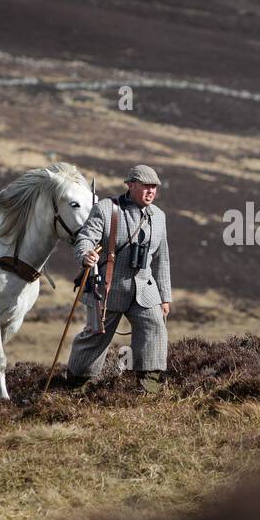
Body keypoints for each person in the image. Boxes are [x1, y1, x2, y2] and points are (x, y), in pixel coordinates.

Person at [64, 164, 171, 392]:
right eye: (146, 186)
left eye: (154, 187)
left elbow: (162, 260)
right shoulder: (106, 209)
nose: (151, 191)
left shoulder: (159, 217)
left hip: (145, 289)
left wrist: (165, 297)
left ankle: (149, 387)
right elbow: (85, 238)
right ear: (130, 185)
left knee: (155, 330)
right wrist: (86, 254)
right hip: (107, 287)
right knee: (95, 337)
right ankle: (76, 384)